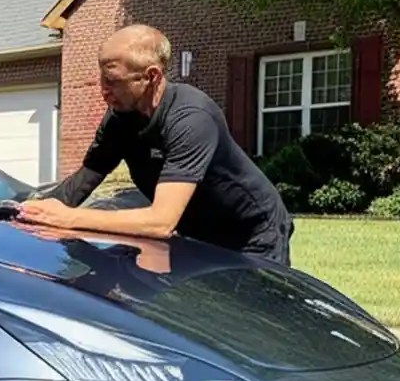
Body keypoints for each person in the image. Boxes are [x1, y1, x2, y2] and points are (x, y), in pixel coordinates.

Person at [16, 24, 295, 266]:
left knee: (251, 319)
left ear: (151, 76)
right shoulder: (120, 118)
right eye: (101, 78)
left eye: (112, 81)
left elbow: (160, 222)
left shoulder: (191, 118)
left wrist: (68, 218)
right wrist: (27, 212)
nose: (102, 90)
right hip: (197, 231)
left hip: (253, 233)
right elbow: (85, 179)